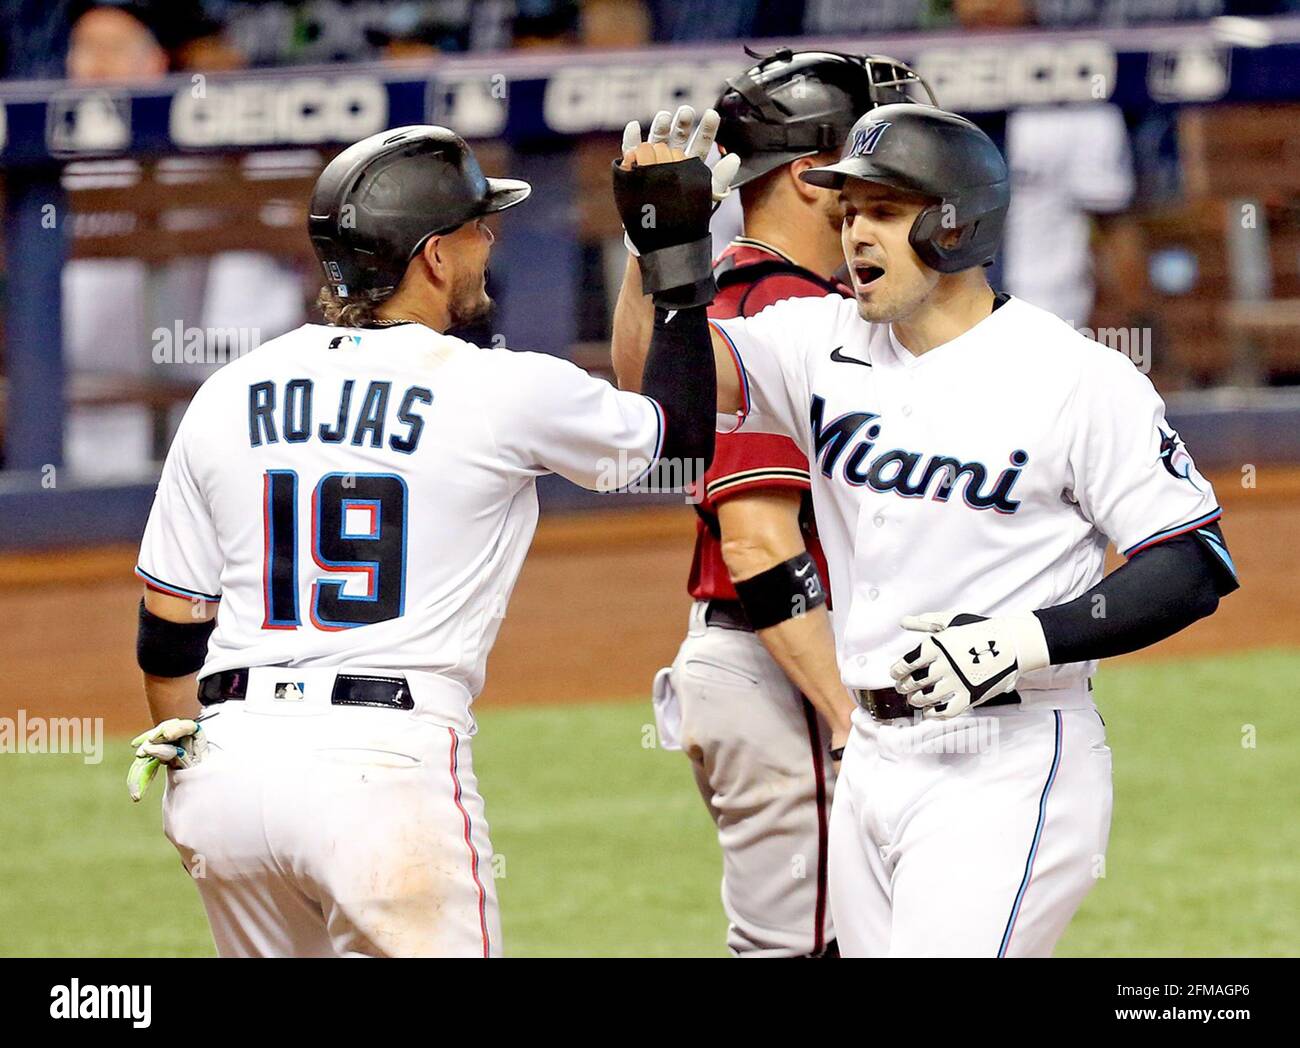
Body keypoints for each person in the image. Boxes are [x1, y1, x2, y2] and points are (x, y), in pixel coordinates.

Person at [612, 102, 1239, 956]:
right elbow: (674, 415)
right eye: (849, 211)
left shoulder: (1072, 378)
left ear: (955, 224)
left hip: (1007, 758)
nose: (854, 234)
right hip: (870, 758)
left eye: (883, 211)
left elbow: (1192, 562)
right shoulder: (814, 341)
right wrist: (666, 251)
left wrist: (1018, 640)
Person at [126, 122, 729, 957]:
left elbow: (169, 624)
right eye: (479, 228)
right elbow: (684, 439)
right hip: (381, 772)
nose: (490, 243)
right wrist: (677, 256)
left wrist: (197, 781)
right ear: (434, 257)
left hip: (227, 768)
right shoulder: (495, 387)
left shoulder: (228, 392)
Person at [621, 48, 932, 959]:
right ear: (808, 174)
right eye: (870, 152)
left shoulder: (734, 292)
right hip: (782, 665)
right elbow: (758, 543)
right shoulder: (779, 311)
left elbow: (644, 387)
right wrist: (850, 720)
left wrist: (657, 256)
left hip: (769, 666)